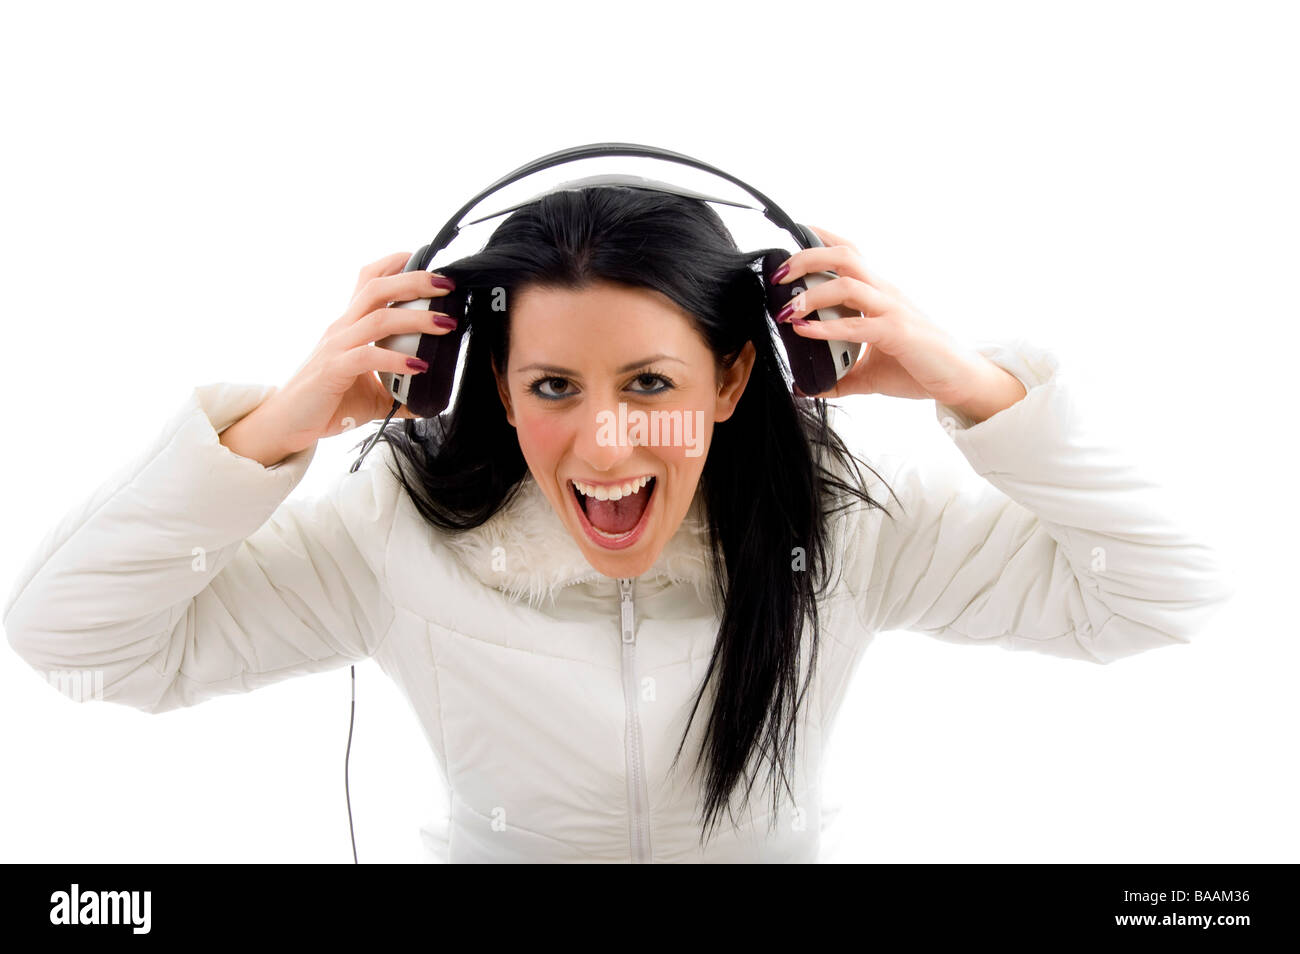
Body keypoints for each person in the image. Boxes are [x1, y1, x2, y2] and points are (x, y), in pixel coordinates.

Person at [2, 186, 1233, 863]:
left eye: (650, 385)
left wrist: (976, 388)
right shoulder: (395, 534)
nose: (603, 446)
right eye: (552, 387)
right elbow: (76, 640)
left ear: (734, 381)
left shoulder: (849, 528)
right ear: (494, 387)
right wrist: (272, 427)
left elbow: (1169, 592)